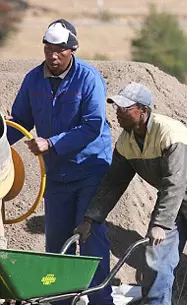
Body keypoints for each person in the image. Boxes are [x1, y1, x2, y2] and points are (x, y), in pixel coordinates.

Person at [74, 82, 187, 305]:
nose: (118, 114)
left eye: (125, 109)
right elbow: (113, 184)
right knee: (156, 260)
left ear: (143, 110)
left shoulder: (170, 133)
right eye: (116, 108)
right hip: (173, 204)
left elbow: (176, 181)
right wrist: (90, 218)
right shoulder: (126, 142)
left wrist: (161, 224)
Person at [7, 19, 113, 305]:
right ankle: (60, 299)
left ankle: (101, 299)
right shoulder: (33, 80)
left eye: (60, 50)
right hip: (56, 175)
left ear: (72, 50)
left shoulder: (88, 79)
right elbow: (19, 121)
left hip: (91, 169)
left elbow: (93, 125)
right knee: (56, 243)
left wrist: (51, 143)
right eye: (48, 49)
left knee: (91, 239)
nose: (53, 56)